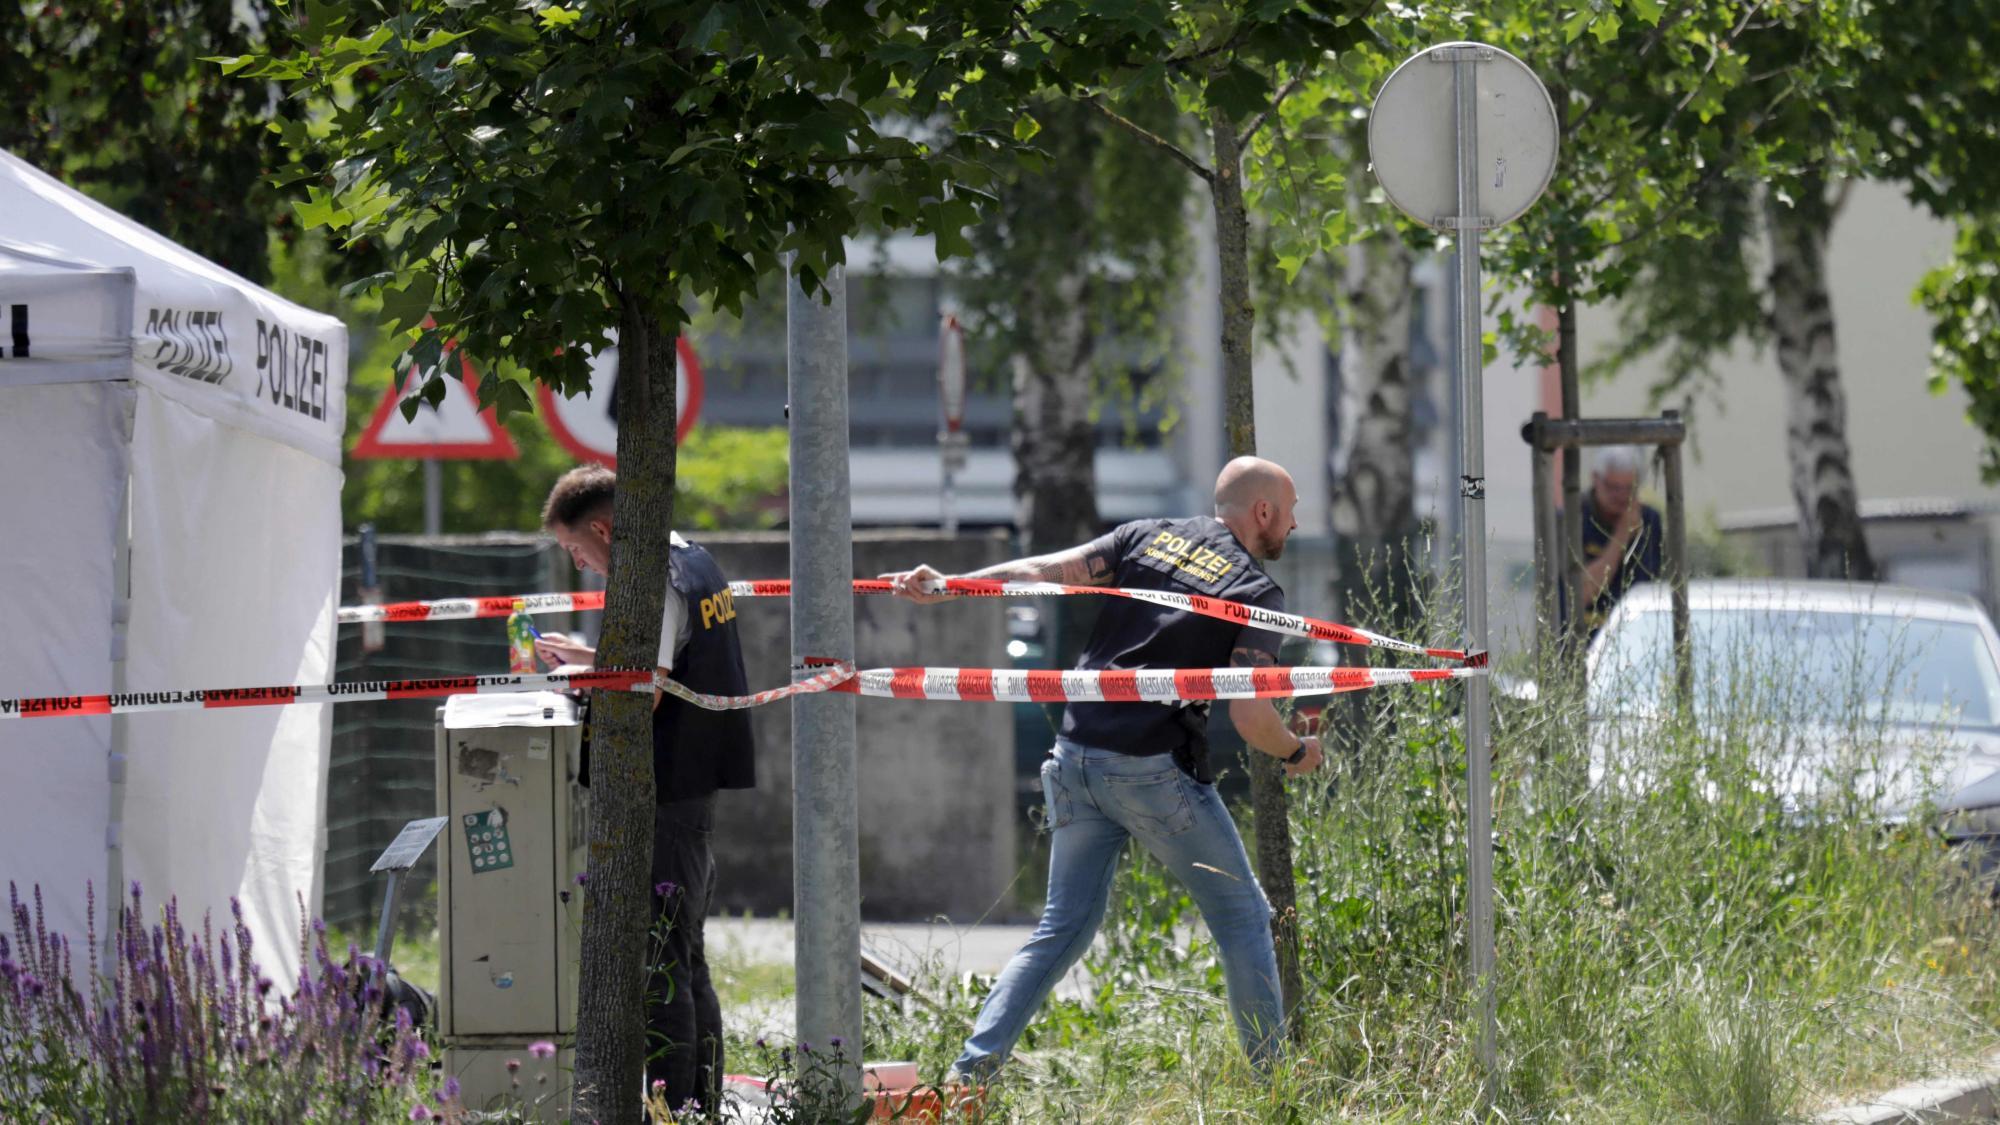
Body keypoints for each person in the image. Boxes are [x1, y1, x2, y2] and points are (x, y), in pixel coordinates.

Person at [883, 456, 1325, 1081]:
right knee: (1244, 919)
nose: (1295, 523)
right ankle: (1274, 1089)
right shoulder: (1255, 592)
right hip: (1151, 772)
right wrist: (1297, 752)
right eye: (1292, 510)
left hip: (1076, 756)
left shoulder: (1145, 535)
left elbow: (1042, 572)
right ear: (1263, 513)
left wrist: (953, 582)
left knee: (1060, 929)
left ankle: (968, 1079)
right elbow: (1252, 716)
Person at [536, 465, 754, 1112]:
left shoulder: (653, 579)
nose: (581, 564)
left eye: (577, 550)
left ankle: (675, 1106)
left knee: (663, 963)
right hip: (694, 783)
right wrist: (588, 660)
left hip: (668, 785)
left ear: (603, 528)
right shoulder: (694, 559)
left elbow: (647, 690)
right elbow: (666, 661)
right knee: (684, 954)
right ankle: (700, 1104)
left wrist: (589, 686)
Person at [1561, 446, 1665, 637]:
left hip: (1635, 638)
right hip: (1582, 640)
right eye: (1613, 487)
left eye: (1629, 488)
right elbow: (1578, 595)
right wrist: (1621, 536)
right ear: (1595, 479)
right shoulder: (1572, 519)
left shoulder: (1650, 521)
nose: (1622, 496)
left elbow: (1655, 591)